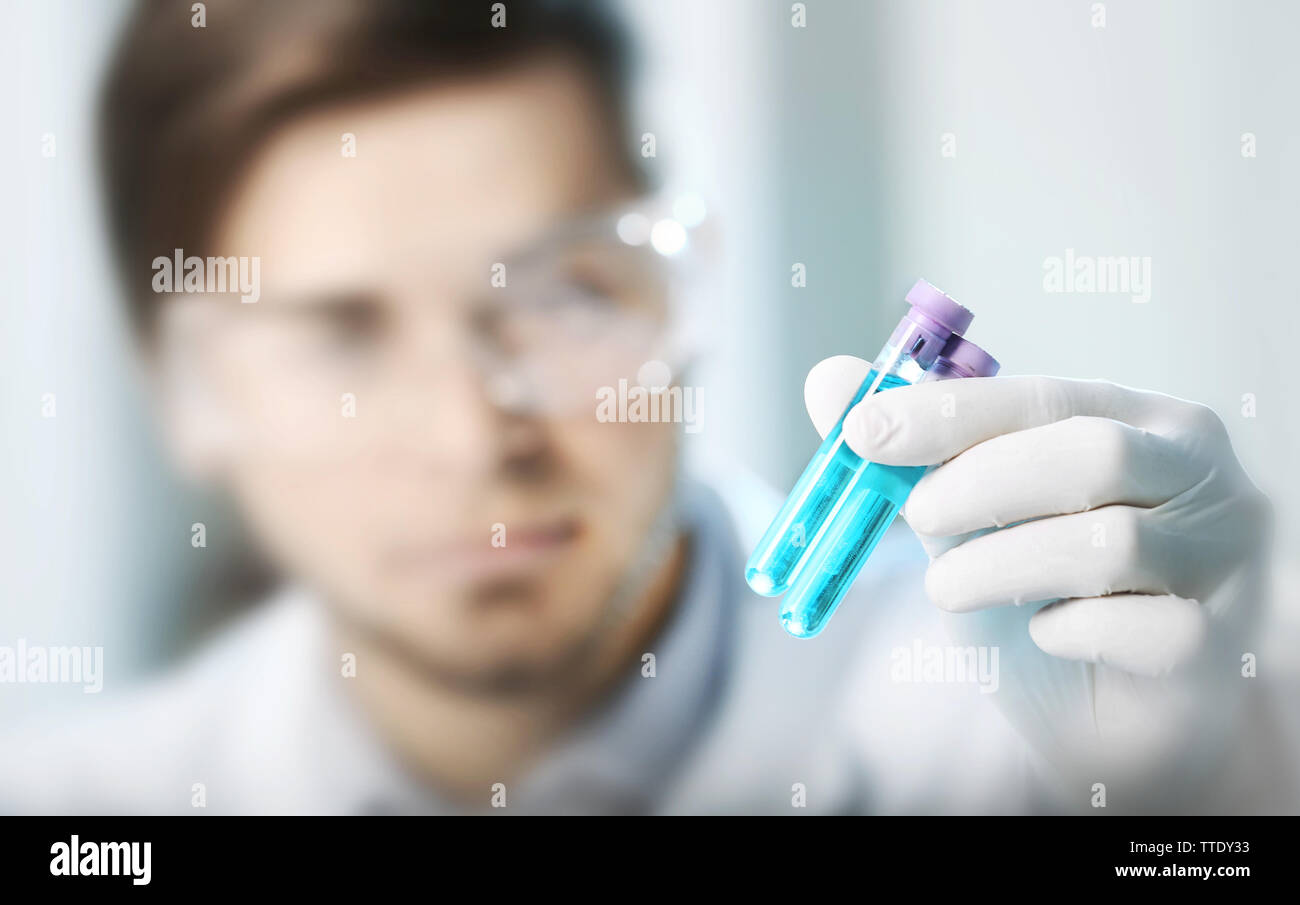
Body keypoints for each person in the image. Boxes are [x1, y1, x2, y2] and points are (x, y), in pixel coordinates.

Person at [1, 0, 1290, 815]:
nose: (473, 441)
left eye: (561, 293)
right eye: (343, 335)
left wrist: (1208, 815)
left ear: (684, 287)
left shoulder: (997, 736)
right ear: (187, 394)